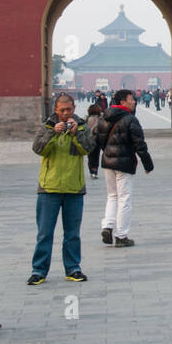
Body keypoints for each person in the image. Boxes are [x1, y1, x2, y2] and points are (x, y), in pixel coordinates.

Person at [27, 93, 95, 285]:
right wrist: (52, 133)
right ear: (55, 110)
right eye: (62, 110)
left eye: (69, 109)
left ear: (74, 108)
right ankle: (39, 270)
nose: (66, 113)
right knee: (44, 233)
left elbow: (88, 148)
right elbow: (38, 149)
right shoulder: (47, 126)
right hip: (49, 188)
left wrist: (76, 134)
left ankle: (73, 268)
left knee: (72, 234)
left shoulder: (81, 126)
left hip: (74, 187)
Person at [96, 89, 154, 248]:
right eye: (131, 99)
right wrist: (148, 164)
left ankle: (107, 226)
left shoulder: (104, 117)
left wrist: (107, 153)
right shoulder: (130, 119)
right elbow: (139, 144)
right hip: (124, 163)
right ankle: (121, 235)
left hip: (108, 161)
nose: (134, 101)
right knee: (124, 199)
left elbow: (99, 140)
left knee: (112, 196)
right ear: (122, 102)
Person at [85, 101, 104, 178]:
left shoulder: (86, 118)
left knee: (90, 156)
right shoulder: (101, 118)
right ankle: (94, 171)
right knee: (96, 156)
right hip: (97, 139)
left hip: (88, 139)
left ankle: (92, 171)